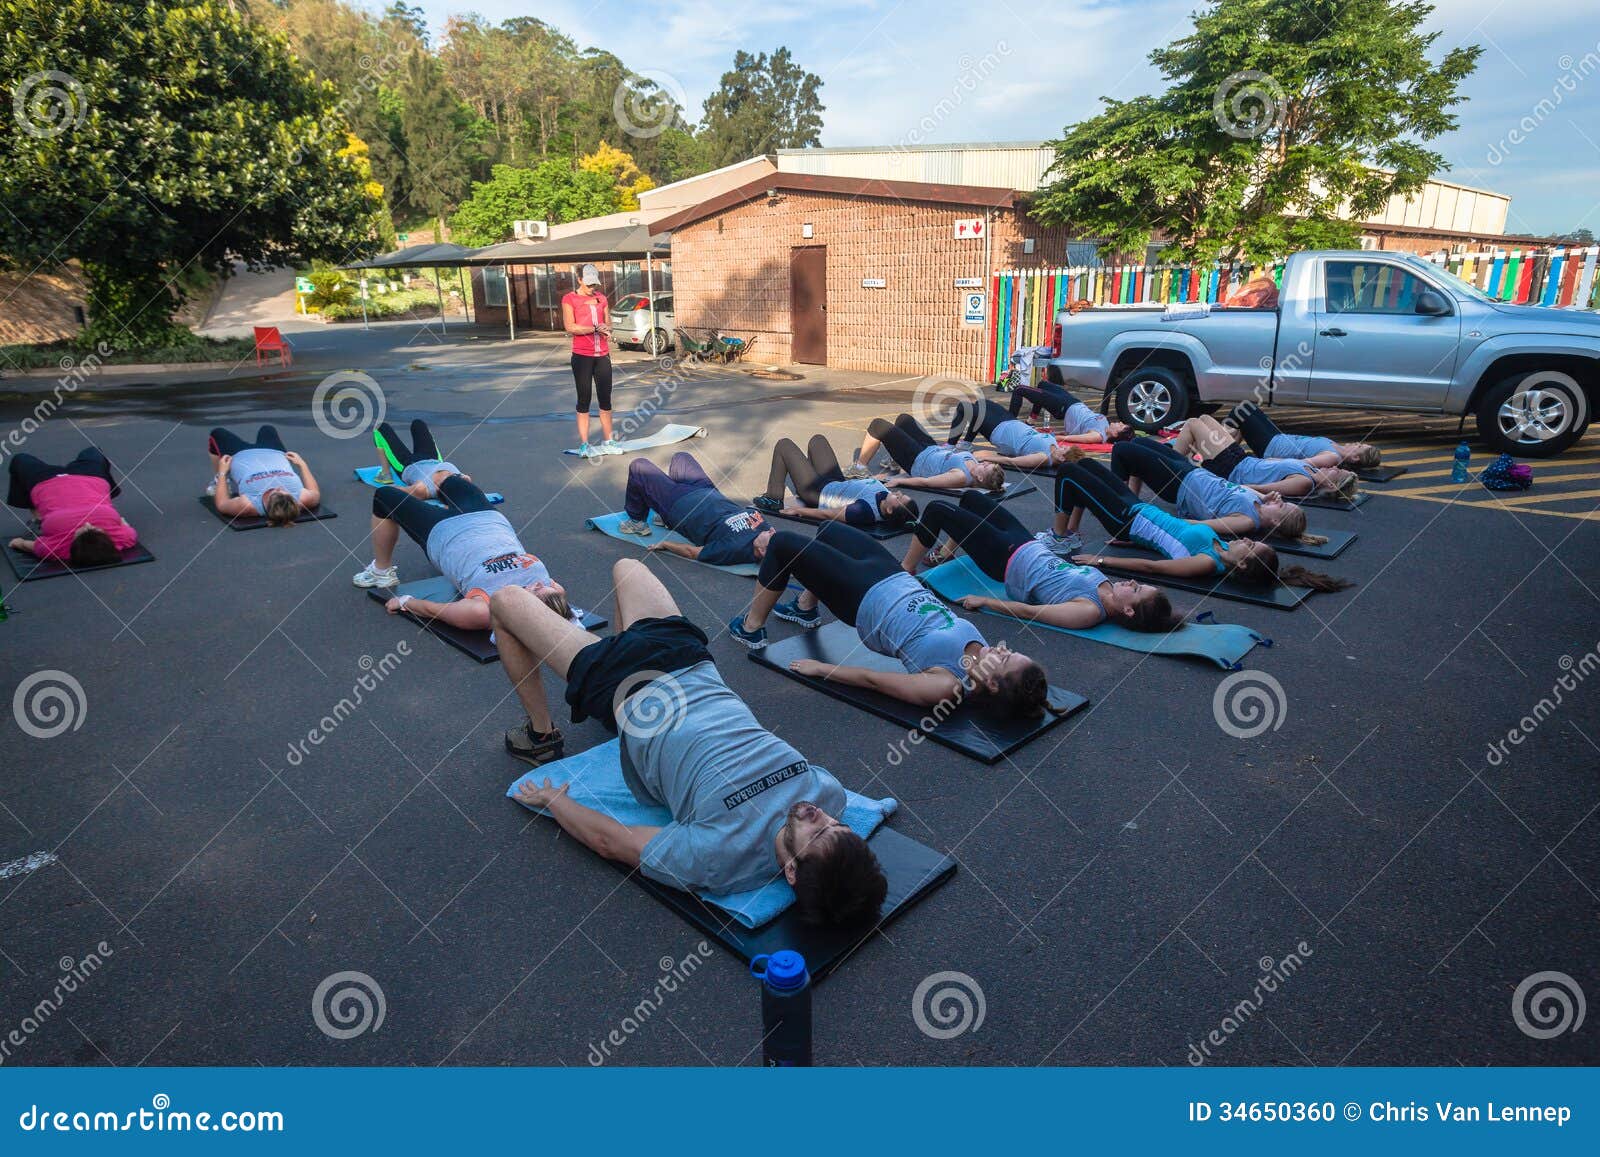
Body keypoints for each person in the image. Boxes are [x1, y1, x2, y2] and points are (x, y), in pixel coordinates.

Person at [492, 559, 889, 924]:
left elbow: (609, 841)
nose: (819, 815)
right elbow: (830, 821)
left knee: (504, 600)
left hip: (623, 685)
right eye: (838, 826)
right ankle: (606, 651)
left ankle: (540, 734)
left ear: (790, 871)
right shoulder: (829, 795)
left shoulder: (717, 862)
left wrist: (556, 801)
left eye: (818, 833)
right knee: (627, 566)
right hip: (690, 659)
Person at [728, 521, 1060, 720]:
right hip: (893, 576)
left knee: (784, 543)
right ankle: (805, 605)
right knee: (829, 530)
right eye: (1010, 652)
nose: (1003, 650)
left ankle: (751, 628)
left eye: (1004, 659)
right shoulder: (983, 656)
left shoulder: (946, 685)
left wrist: (823, 669)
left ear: (991, 684)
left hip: (862, 598)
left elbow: (874, 680)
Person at [1053, 458, 1351, 591]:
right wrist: (1135, 543)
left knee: (1068, 471)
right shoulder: (1220, 546)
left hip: (1126, 520)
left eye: (1248, 546)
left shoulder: (1207, 564)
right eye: (1251, 540)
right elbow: (1171, 541)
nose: (1245, 540)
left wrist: (1100, 559)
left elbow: (1153, 568)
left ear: (1243, 565)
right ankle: (1070, 533)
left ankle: (1059, 536)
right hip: (1139, 511)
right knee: (1088, 466)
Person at [903, 492, 1180, 632]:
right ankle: (951, 548)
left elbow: (1029, 612)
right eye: (1138, 584)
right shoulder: (1107, 586)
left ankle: (905, 571)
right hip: (1025, 542)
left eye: (1136, 589)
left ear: (1129, 611)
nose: (1132, 582)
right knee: (971, 498)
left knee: (937, 510)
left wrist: (985, 601)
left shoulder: (1088, 612)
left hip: (1004, 560)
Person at [1109, 436, 1319, 544]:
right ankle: (1132, 502)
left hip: (1178, 485)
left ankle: (1121, 515)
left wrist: (1148, 525)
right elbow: (1241, 488)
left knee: (1122, 449)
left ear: (1275, 522)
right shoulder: (1261, 505)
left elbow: (1200, 525)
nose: (1279, 500)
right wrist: (1265, 497)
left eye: (1281, 506)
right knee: (1138, 442)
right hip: (1190, 471)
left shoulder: (1246, 521)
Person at [616, 452, 774, 565]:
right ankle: (662, 514)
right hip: (707, 491)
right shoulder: (765, 532)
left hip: (680, 505)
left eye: (771, 536)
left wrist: (666, 544)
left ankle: (637, 521)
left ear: (761, 551)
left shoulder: (732, 550)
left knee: (639, 466)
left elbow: (693, 552)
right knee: (681, 458)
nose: (772, 531)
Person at [6, 446, 136, 567]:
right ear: (109, 541)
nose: (87, 524)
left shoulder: (53, 550)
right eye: (94, 529)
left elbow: (22, 544)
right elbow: (123, 523)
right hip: (89, 476)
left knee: (20, 459)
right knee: (94, 451)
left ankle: (37, 518)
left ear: (72, 545)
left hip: (46, 480)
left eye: (83, 530)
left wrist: (18, 543)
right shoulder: (125, 538)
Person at [1171, 415, 1358, 499]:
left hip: (1231, 468)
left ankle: (1170, 468)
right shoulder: (1311, 470)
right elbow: (1274, 464)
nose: (1334, 467)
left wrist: (1226, 488)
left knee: (1193, 424)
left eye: (1336, 472)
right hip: (1241, 459)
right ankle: (1174, 461)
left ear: (1332, 485)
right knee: (1205, 418)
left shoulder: (1305, 482)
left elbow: (1262, 489)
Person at [753, 435, 920, 528]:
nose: (898, 493)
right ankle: (805, 474)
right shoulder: (886, 498)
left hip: (817, 493)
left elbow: (827, 514)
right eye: (901, 495)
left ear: (889, 510)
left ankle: (773, 497)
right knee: (817, 440)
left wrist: (800, 511)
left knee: (785, 445)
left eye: (898, 498)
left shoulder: (863, 511)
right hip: (836, 481)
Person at [844, 413, 1006, 492]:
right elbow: (989, 458)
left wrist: (899, 481)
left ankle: (859, 469)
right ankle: (895, 459)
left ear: (979, 477)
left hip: (916, 459)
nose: (985, 463)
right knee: (904, 419)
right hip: (930, 448)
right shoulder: (976, 466)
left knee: (878, 426)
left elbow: (927, 482)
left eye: (986, 467)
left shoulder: (961, 477)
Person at [206, 425, 320, 526]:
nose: (279, 487)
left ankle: (220, 483)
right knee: (267, 428)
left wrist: (222, 472)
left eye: (274, 492)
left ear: (266, 505)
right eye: (286, 492)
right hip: (273, 451)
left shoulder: (248, 506)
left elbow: (222, 505)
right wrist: (302, 465)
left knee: (217, 432)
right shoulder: (303, 498)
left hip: (238, 453)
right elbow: (315, 492)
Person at [1221, 403, 1382, 471]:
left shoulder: (1332, 457)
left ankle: (1221, 452)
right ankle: (1226, 450)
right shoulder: (1335, 447)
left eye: (1359, 447)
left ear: (1354, 458)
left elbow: (1300, 464)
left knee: (1240, 411)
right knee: (1247, 408)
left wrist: (1267, 462)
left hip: (1269, 447)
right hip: (1276, 437)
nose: (1356, 443)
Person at [563, 263, 618, 458]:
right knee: (583, 399)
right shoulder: (569, 299)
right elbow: (570, 327)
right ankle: (584, 444)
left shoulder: (601, 298)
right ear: (579, 280)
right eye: (588, 284)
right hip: (582, 356)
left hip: (602, 355)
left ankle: (609, 440)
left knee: (606, 399)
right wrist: (594, 329)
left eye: (594, 283)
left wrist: (607, 329)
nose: (592, 287)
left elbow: (608, 322)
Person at [946, 398, 1076, 471]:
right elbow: (1046, 436)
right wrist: (1059, 433)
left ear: (1062, 458)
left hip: (999, 432)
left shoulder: (1042, 458)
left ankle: (950, 446)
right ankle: (966, 444)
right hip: (1010, 421)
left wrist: (986, 459)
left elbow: (1011, 461)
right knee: (982, 403)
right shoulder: (1054, 447)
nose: (1062, 447)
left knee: (964, 407)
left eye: (1064, 449)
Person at [1006, 381, 1134, 443]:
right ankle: (1030, 421)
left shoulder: (1098, 435)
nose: (1120, 422)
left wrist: (1056, 436)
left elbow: (1072, 438)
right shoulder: (1106, 424)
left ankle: (1009, 424)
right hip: (1071, 401)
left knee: (1019, 389)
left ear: (1116, 434)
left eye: (1121, 426)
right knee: (1042, 384)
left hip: (1062, 407)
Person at [373, 418, 470, 499]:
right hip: (433, 458)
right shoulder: (461, 480)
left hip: (406, 464)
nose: (448, 474)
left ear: (437, 487)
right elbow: (467, 482)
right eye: (450, 475)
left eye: (445, 478)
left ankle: (385, 475)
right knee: (418, 424)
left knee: (380, 427)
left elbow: (392, 491)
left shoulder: (423, 489)